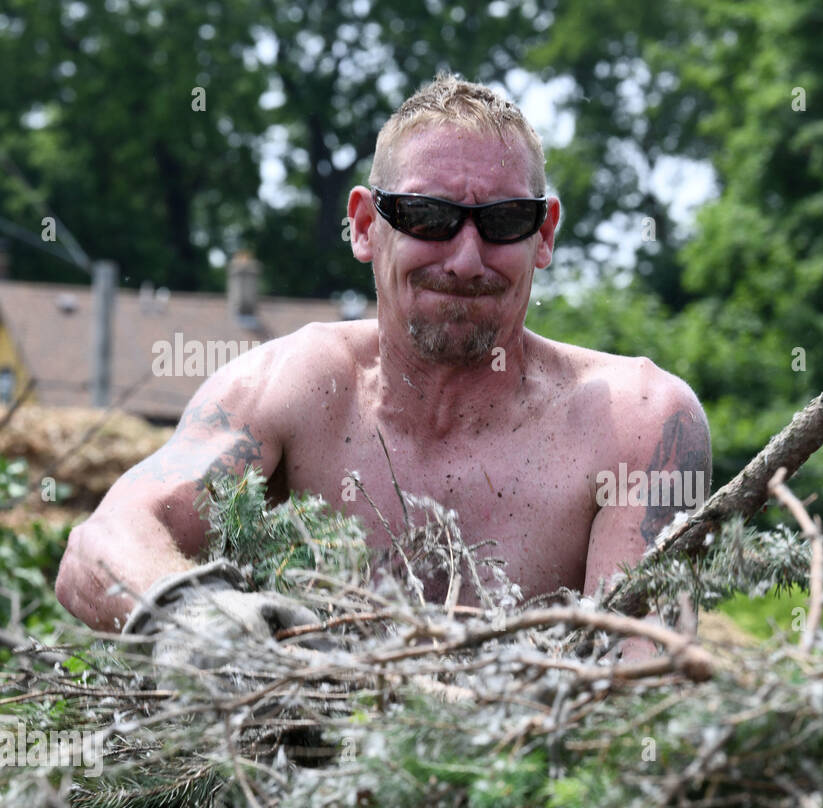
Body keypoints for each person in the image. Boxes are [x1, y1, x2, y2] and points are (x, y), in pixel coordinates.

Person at [55, 73, 711, 660]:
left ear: (542, 234)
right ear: (366, 225)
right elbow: (101, 543)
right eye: (429, 217)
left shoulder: (637, 420)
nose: (465, 258)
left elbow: (640, 682)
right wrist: (198, 618)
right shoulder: (295, 385)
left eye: (505, 220)